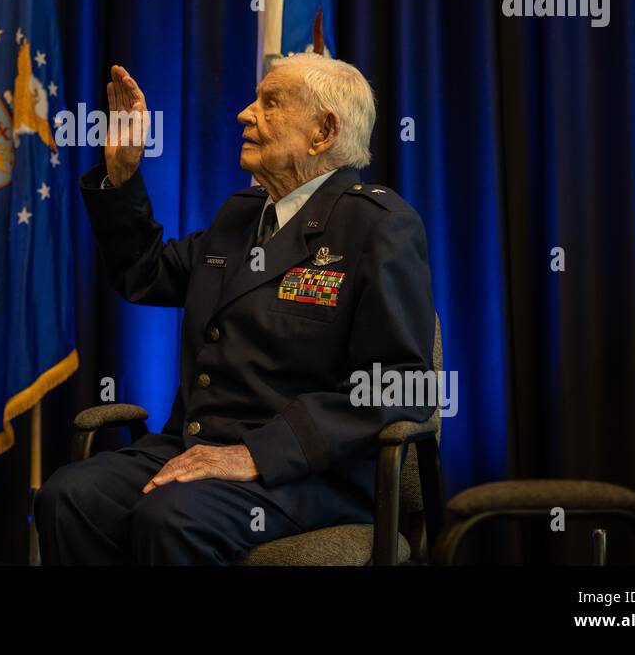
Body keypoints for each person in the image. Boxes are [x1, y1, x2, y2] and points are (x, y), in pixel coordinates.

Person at [36, 54, 437, 564]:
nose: (245, 114)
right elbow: (145, 274)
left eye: (270, 103)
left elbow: (400, 384)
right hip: (196, 449)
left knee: (170, 518)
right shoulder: (241, 215)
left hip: (310, 473)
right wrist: (121, 178)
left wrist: (255, 455)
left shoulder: (378, 227)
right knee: (68, 498)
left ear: (323, 131)